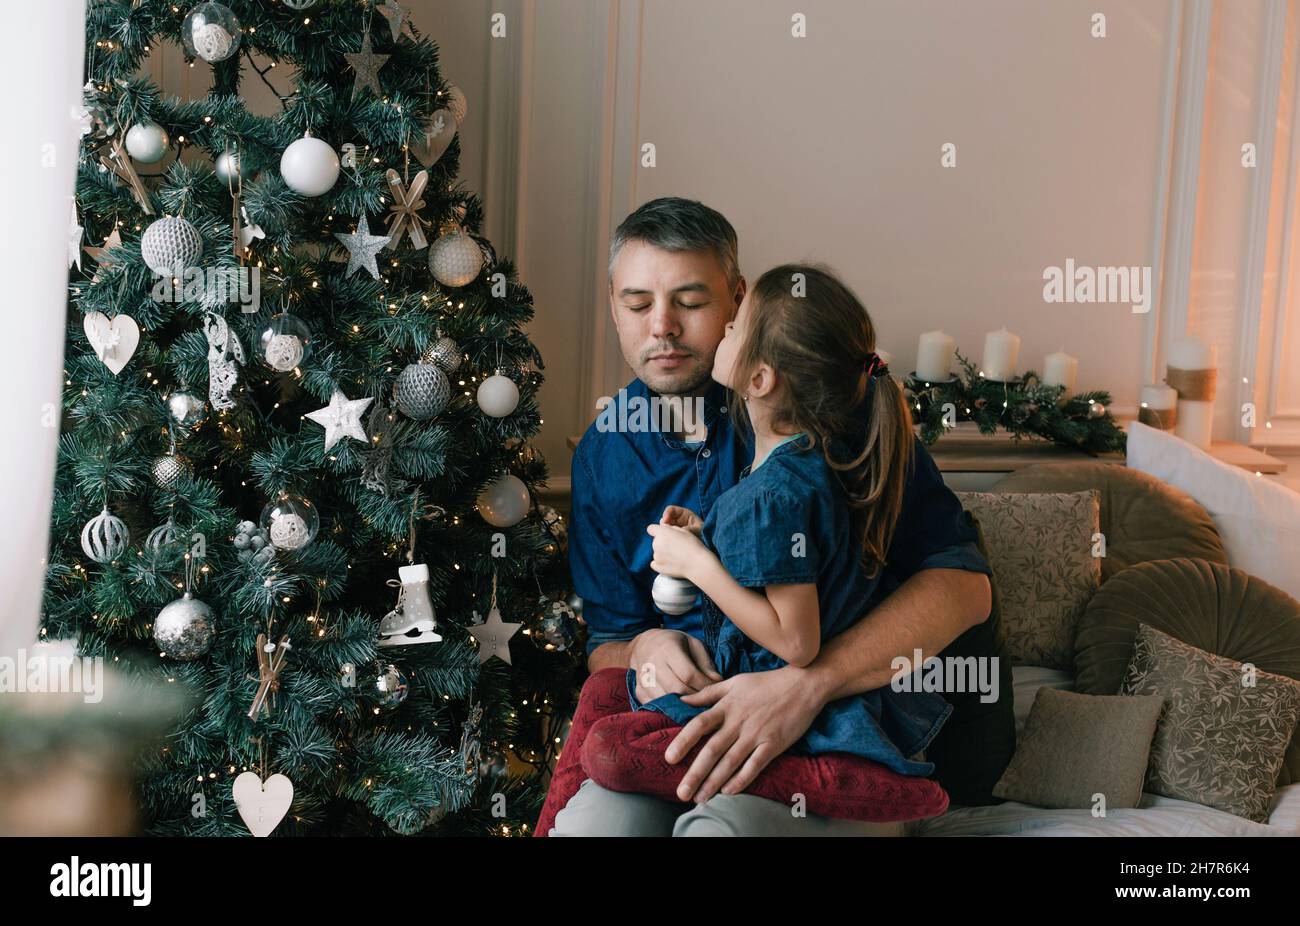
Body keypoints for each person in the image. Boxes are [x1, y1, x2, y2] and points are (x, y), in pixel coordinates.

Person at [552, 197, 996, 836]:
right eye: (638, 303)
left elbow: (964, 587)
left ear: (737, 300)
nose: (663, 328)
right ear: (613, 305)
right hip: (689, 728)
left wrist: (807, 685)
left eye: (692, 301)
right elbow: (605, 646)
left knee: (725, 831)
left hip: (830, 737)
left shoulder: (826, 418)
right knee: (594, 827)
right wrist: (645, 647)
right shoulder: (604, 452)